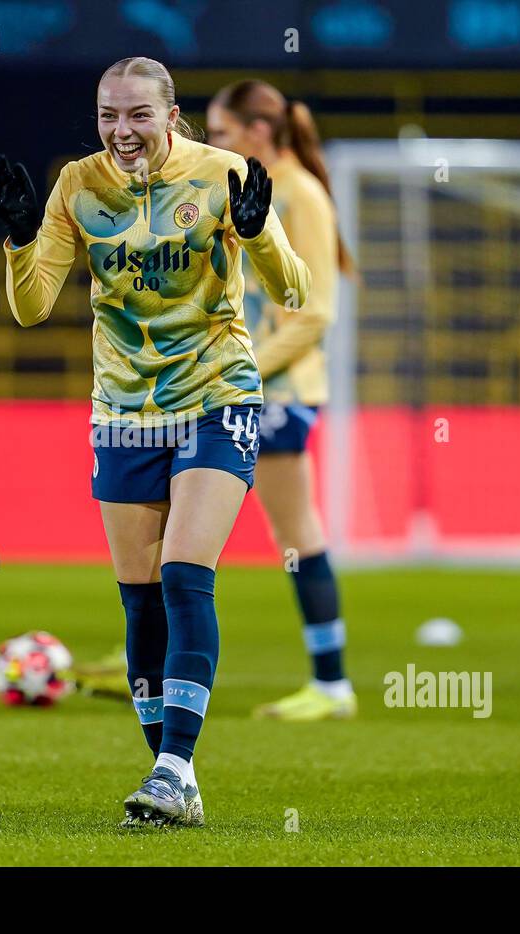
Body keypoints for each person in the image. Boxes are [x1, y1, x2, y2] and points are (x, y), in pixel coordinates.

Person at [0, 56, 310, 825]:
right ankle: (177, 783)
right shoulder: (79, 184)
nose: (121, 131)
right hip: (124, 411)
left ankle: (172, 766)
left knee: (183, 571)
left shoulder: (223, 173)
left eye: (137, 115)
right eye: (108, 115)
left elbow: (294, 288)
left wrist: (259, 235)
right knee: (140, 605)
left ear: (171, 114)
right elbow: (31, 308)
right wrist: (20, 236)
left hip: (216, 394)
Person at [207, 79, 356, 721]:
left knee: (297, 533)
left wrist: (243, 372)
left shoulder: (301, 196)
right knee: (164, 521)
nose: (212, 145)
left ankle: (331, 685)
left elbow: (315, 312)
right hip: (240, 386)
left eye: (220, 132)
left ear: (258, 133)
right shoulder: (258, 191)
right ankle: (143, 665)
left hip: (277, 392)